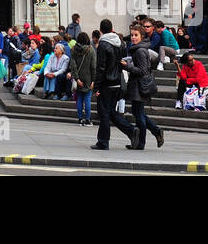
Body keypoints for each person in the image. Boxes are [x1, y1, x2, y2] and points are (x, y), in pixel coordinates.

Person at [91, 20, 137, 150]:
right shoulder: (120, 43)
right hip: (117, 81)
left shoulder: (103, 45)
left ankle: (103, 141)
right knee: (111, 112)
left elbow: (101, 67)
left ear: (100, 30)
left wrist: (97, 86)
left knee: (104, 113)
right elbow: (122, 60)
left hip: (106, 83)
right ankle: (131, 131)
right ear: (112, 28)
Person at [122, 26, 162, 149]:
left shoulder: (140, 51)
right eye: (132, 35)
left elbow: (142, 71)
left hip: (139, 86)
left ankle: (141, 143)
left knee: (139, 115)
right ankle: (156, 131)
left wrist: (127, 66)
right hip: (138, 85)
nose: (133, 38)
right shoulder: (139, 49)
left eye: (136, 35)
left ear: (141, 37)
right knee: (137, 112)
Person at [69, 36, 94, 122]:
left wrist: (76, 78)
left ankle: (80, 118)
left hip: (78, 77)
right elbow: (93, 66)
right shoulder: (91, 50)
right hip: (89, 77)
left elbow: (73, 66)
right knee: (87, 98)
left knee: (79, 98)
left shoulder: (73, 50)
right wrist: (93, 80)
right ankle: (87, 118)